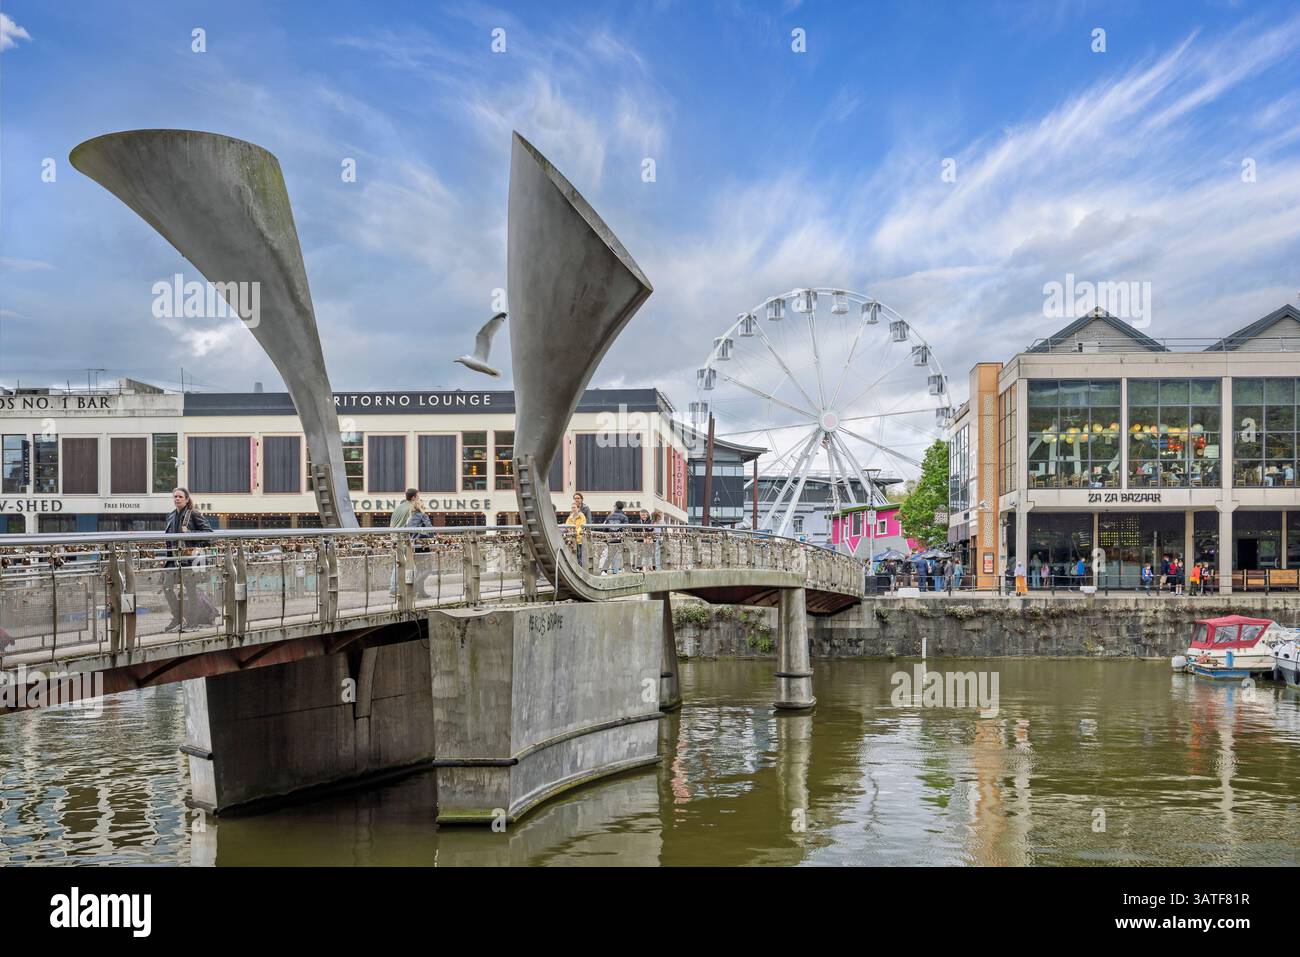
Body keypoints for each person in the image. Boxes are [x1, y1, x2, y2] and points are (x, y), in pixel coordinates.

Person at [163, 487, 213, 632]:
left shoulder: (193, 514)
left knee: (190, 591)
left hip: (189, 560)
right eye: (175, 496)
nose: (177, 499)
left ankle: (192, 621)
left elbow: (208, 535)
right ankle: (178, 617)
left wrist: (189, 533)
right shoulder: (171, 515)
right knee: (167, 587)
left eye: (180, 497)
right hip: (173, 559)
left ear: (186, 499)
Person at [389, 488, 419, 594]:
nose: (419, 499)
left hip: (395, 538)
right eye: (418, 497)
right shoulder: (412, 507)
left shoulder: (399, 507)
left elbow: (393, 524)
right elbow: (410, 525)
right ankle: (409, 591)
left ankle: (395, 588)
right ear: (413, 497)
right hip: (403, 540)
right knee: (411, 567)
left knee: (399, 563)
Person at [602, 500, 629, 574]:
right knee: (617, 556)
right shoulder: (624, 517)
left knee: (611, 555)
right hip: (619, 539)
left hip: (610, 538)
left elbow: (605, 529)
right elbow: (626, 529)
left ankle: (605, 570)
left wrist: (606, 539)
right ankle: (615, 571)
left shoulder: (609, 516)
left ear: (616, 507)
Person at [565, 501, 588, 569]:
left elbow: (582, 525)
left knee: (580, 555)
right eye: (572, 507)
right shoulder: (570, 517)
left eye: (574, 507)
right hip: (572, 539)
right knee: (573, 555)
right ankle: (574, 568)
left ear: (578, 508)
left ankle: (580, 568)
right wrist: (570, 532)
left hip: (579, 539)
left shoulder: (581, 516)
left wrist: (576, 532)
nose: (573, 509)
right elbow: (567, 525)